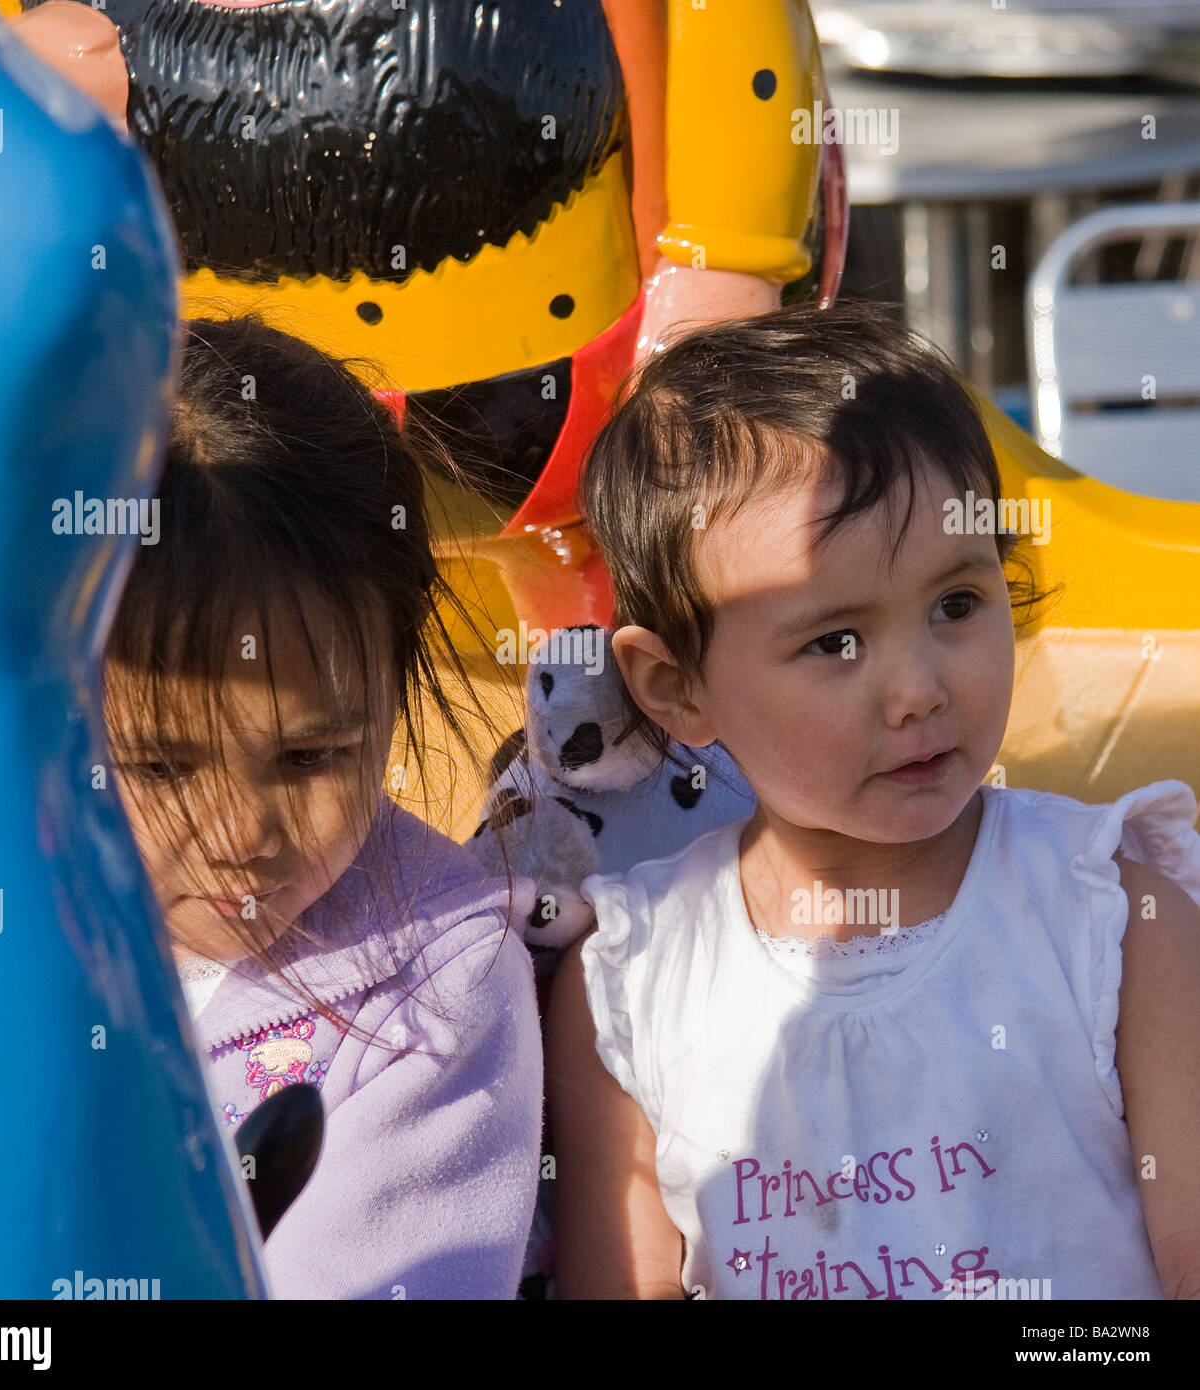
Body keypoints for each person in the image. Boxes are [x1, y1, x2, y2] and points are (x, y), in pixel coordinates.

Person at [547, 299, 1200, 1301]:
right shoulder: (630, 987)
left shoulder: (1118, 920)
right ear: (675, 686)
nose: (920, 689)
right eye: (835, 641)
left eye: (956, 604)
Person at [103, 315, 542, 1299]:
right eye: (162, 766)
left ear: (396, 673)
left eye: (309, 755)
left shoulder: (436, 988)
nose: (239, 837)